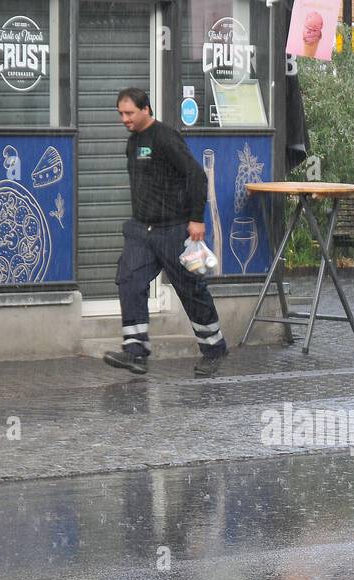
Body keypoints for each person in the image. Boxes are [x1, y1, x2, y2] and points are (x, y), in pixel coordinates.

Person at [104, 87, 228, 378]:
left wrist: (196, 219)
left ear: (146, 109)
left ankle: (214, 347)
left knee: (191, 290)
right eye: (121, 114)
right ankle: (135, 352)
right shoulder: (134, 143)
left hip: (174, 229)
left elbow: (196, 175)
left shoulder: (165, 137)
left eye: (129, 113)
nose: (124, 119)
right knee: (129, 281)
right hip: (141, 231)